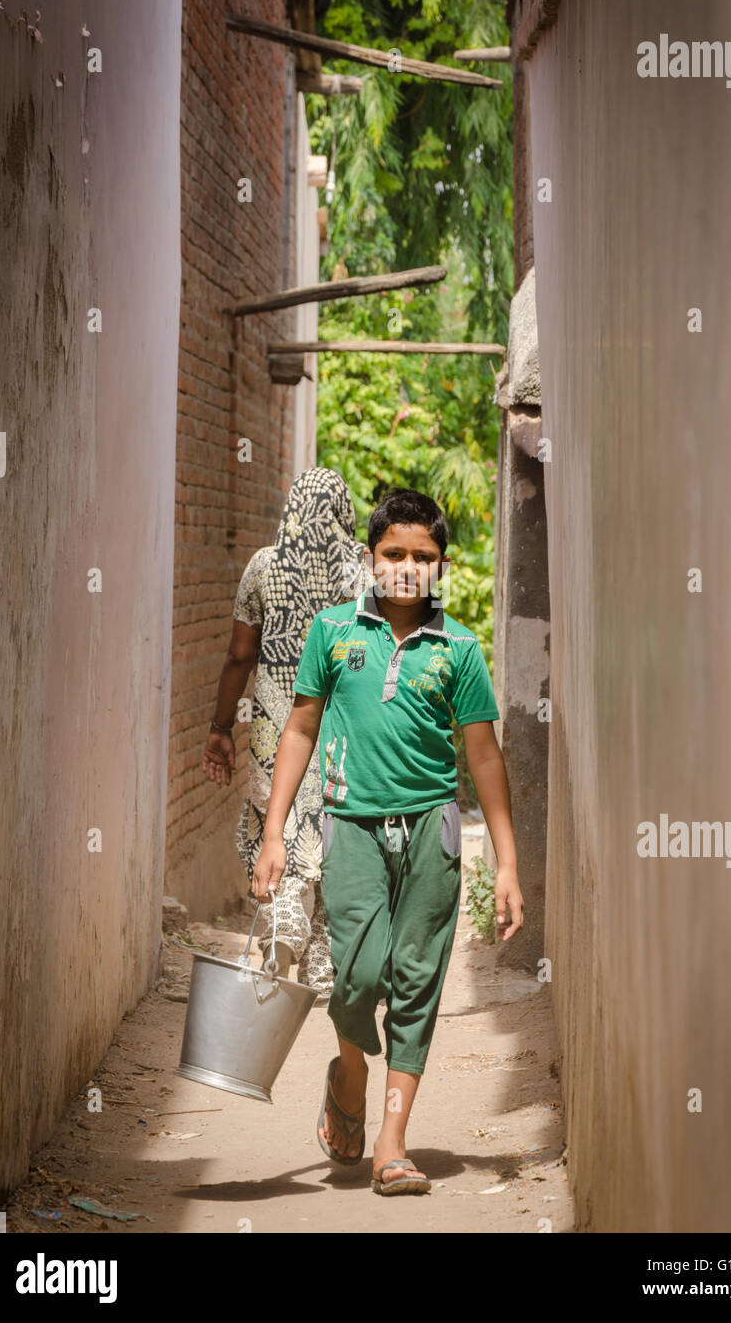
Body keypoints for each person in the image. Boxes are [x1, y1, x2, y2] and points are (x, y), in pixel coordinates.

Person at [250, 487, 524, 1195]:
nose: (406, 567)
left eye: (422, 557)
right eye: (392, 554)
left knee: (415, 985)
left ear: (441, 566)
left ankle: (391, 1142)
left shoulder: (459, 649)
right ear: (369, 559)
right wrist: (274, 831)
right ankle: (349, 1073)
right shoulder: (333, 631)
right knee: (358, 975)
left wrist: (506, 865)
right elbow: (301, 728)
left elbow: (483, 757)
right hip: (351, 828)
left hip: (431, 834)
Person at [202, 466, 364, 995]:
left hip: (276, 726)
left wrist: (220, 726)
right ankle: (323, 959)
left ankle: (280, 938)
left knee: (280, 826)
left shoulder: (264, 567)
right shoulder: (361, 573)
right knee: (331, 826)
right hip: (343, 724)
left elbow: (239, 655)